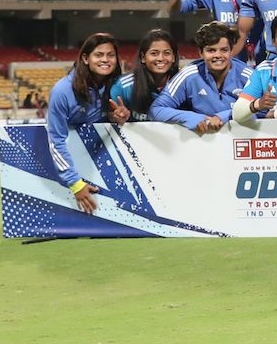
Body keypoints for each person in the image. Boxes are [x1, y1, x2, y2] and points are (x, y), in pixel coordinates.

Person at [45, 32, 123, 214]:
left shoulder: (118, 86)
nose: (105, 60)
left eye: (110, 55)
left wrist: (119, 118)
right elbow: (56, 140)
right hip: (74, 170)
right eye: (99, 55)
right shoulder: (63, 91)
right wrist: (75, 183)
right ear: (85, 58)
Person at [150, 21, 254, 133]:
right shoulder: (188, 76)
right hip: (200, 143)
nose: (218, 55)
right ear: (201, 53)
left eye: (224, 50)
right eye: (211, 50)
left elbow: (262, 109)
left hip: (240, 142)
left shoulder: (248, 75)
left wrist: (224, 116)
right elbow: (156, 110)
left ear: (231, 51)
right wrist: (191, 117)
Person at [109, 29, 179, 122]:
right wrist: (118, 117)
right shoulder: (122, 86)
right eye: (154, 53)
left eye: (167, 53)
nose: (161, 58)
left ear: (174, 57)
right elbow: (111, 117)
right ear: (143, 57)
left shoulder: (185, 83)